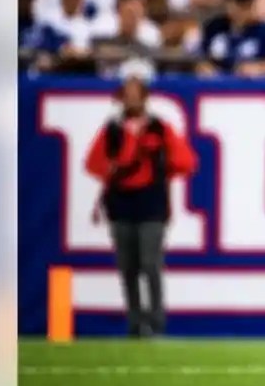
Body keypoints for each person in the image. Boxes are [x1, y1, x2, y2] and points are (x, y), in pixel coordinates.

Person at [83, 59, 198, 337]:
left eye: (137, 91)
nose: (132, 97)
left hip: (151, 202)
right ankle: (135, 322)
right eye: (128, 92)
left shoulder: (159, 128)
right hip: (121, 202)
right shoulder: (112, 130)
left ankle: (156, 320)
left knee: (150, 263)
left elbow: (186, 161)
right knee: (128, 266)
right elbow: (93, 163)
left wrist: (160, 168)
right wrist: (113, 170)